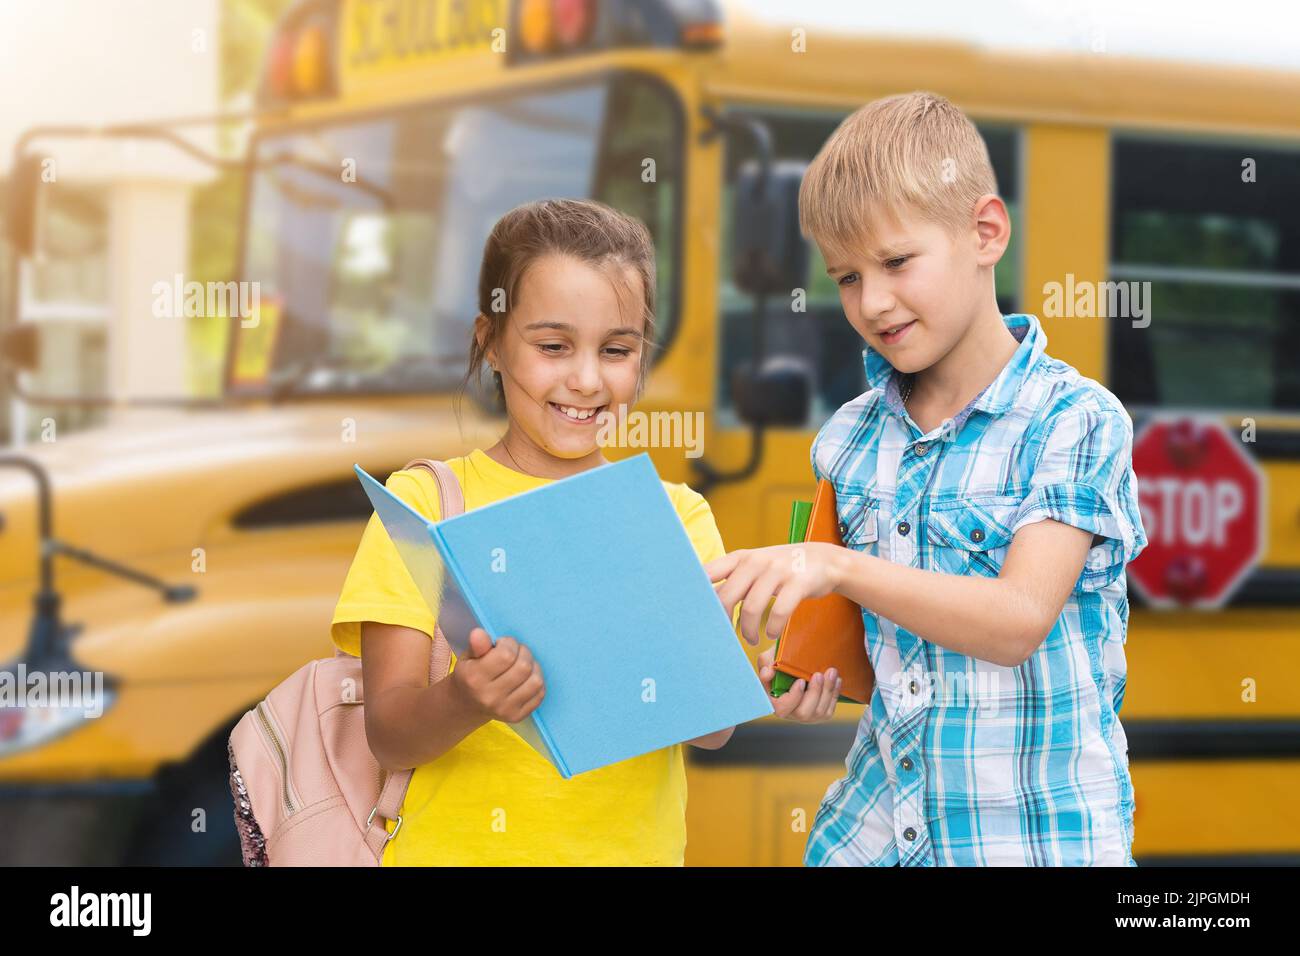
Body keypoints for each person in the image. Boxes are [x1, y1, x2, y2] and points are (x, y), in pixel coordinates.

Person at [707, 91, 1148, 866]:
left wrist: (834, 565)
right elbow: (890, 658)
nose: (872, 302)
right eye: (845, 278)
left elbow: (1015, 622)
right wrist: (816, 672)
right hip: (873, 833)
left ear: (986, 232)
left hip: (1030, 840)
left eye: (896, 262)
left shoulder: (1075, 420)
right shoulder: (847, 437)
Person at [332, 199, 736, 865]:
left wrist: (752, 678)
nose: (585, 379)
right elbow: (390, 733)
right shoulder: (427, 503)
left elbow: (713, 731)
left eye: (616, 350)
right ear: (490, 340)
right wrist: (467, 698)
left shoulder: (678, 516)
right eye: (552, 347)